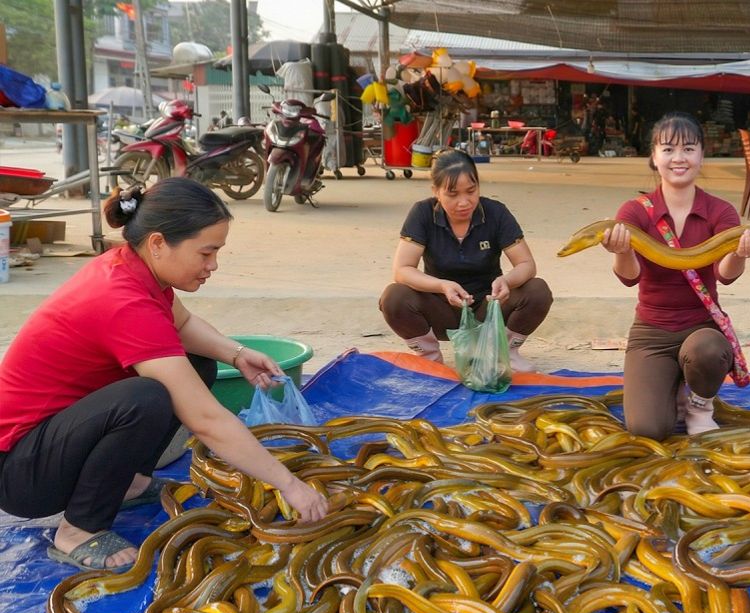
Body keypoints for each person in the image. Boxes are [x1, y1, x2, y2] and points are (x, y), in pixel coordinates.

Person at [0, 178, 330, 571]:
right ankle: (78, 530)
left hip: (54, 439)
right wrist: (289, 484)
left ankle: (128, 485)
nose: (213, 265)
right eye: (206, 252)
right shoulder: (122, 300)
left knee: (196, 362)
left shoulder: (137, 268)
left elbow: (183, 324)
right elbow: (205, 420)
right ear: (158, 243)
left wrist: (237, 354)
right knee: (147, 398)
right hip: (22, 471)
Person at [599, 111, 750, 440]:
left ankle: (700, 405)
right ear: (654, 156)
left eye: (689, 149)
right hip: (651, 331)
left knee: (707, 350)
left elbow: (725, 274)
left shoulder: (720, 211)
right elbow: (629, 277)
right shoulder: (633, 212)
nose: (679, 158)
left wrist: (739, 252)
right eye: (668, 149)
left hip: (701, 326)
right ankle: (671, 382)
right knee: (647, 429)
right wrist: (621, 250)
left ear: (702, 155)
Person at [380, 149, 552, 372]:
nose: (464, 202)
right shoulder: (422, 213)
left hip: (489, 310)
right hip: (442, 309)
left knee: (537, 290)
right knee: (394, 297)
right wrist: (442, 286)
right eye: (452, 194)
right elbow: (402, 270)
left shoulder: (496, 213)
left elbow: (526, 264)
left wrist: (507, 281)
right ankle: (428, 357)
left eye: (471, 191)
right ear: (436, 191)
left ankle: (504, 352)